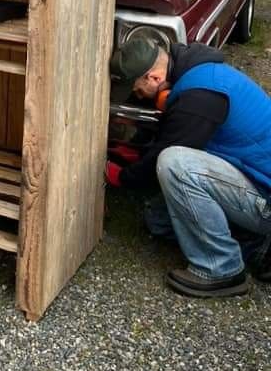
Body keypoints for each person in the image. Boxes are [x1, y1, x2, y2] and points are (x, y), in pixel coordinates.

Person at [107, 37, 271, 298]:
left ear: (153, 78)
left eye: (137, 91)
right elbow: (172, 131)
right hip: (251, 177)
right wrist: (135, 152)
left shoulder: (201, 96)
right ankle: (252, 240)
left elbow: (166, 153)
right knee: (158, 221)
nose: (137, 97)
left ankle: (222, 268)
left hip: (265, 197)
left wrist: (123, 177)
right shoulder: (196, 74)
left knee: (174, 164)